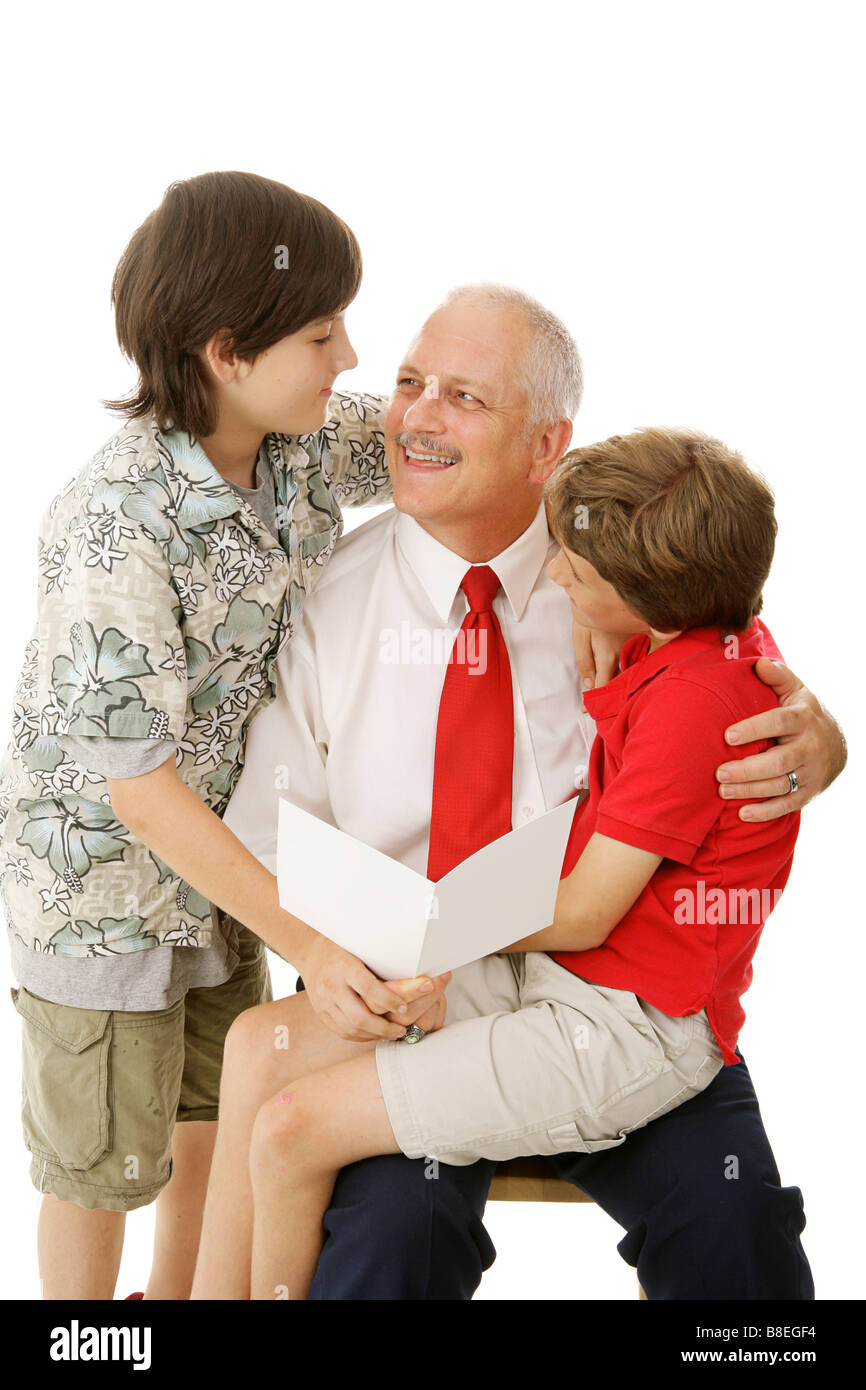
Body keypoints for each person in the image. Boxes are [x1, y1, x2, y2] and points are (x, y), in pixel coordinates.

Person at [191, 284, 845, 1300]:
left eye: (464, 396)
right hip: (419, 991)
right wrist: (339, 959)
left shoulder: (624, 582)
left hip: (616, 996)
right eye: (409, 383)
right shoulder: (323, 600)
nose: (413, 415)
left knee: (736, 1232)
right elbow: (271, 833)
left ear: (547, 446)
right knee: (385, 1241)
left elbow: (737, 686)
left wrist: (824, 742)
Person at [0, 170, 446, 1301]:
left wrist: (621, 543)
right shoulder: (114, 524)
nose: (351, 360)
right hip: (101, 899)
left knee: (210, 1119)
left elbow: (440, 453)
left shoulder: (299, 443)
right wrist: (326, 946)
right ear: (224, 349)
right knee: (102, 1164)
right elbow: (139, 794)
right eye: (322, 332)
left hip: (227, 876)